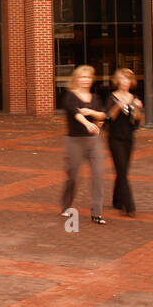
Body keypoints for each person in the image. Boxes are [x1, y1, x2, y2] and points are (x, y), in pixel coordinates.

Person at [60, 65, 108, 225]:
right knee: (72, 175)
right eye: (82, 77)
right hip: (75, 140)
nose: (85, 80)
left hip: (93, 141)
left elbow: (102, 114)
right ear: (76, 79)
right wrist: (87, 123)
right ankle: (66, 205)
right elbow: (76, 113)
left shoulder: (95, 98)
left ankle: (97, 212)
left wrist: (93, 115)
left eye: (88, 77)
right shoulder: (70, 96)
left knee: (98, 174)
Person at [105, 68, 141, 216]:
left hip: (129, 137)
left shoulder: (134, 98)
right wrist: (117, 107)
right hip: (115, 138)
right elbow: (109, 118)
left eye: (128, 79)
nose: (125, 82)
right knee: (121, 169)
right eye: (122, 79)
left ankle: (117, 200)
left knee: (123, 170)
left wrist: (138, 110)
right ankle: (129, 206)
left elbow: (137, 123)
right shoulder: (112, 97)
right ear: (117, 81)